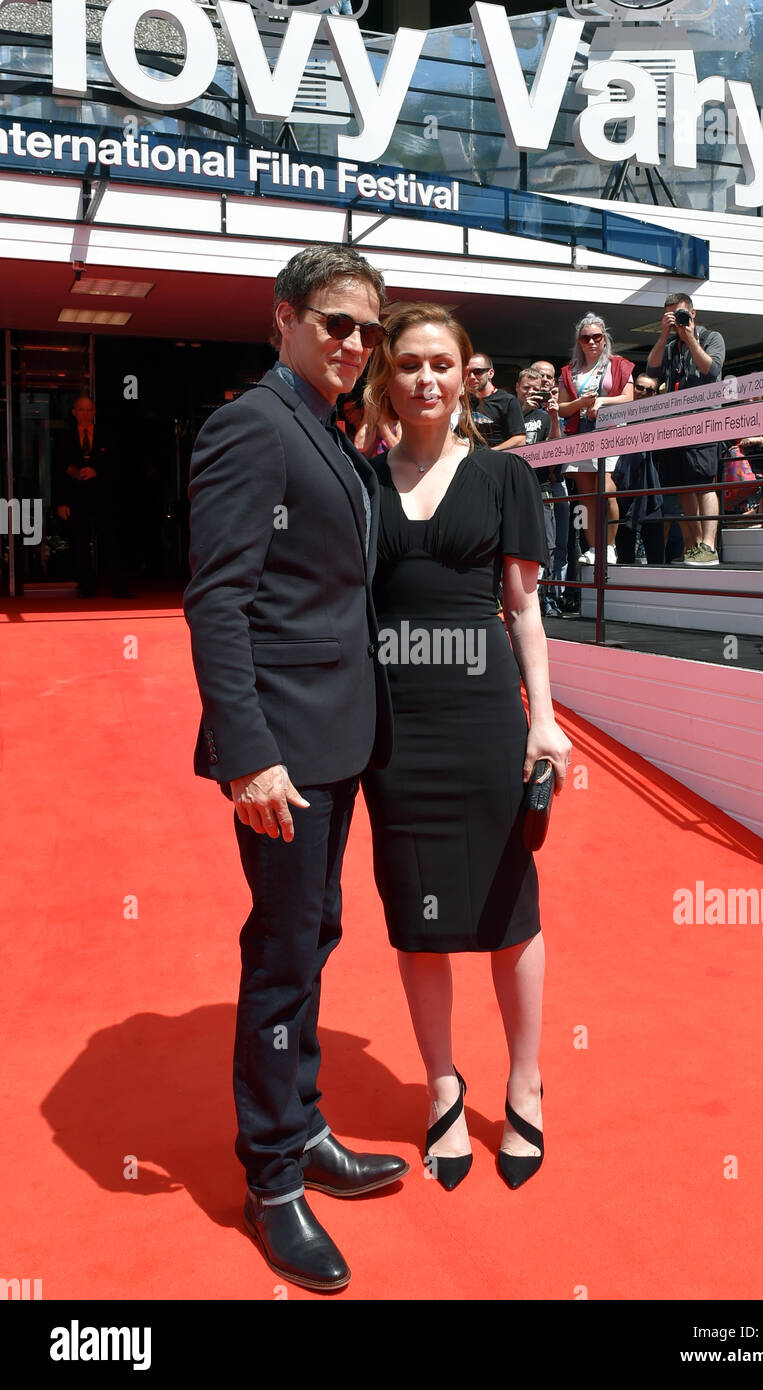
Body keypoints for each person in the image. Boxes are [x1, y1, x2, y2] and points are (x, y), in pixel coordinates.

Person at [183, 246, 408, 1296]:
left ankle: (303, 1122)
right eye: (334, 323)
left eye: (367, 330)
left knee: (315, 934)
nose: (354, 345)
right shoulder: (250, 425)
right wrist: (249, 754)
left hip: (338, 742)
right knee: (282, 954)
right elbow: (216, 601)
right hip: (283, 755)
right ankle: (271, 1179)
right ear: (283, 317)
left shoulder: (326, 430)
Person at [361, 303, 572, 1191]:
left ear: (465, 371)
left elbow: (522, 607)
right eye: (407, 364)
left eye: (440, 364)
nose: (425, 380)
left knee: (505, 906)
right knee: (419, 916)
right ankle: (442, 1084)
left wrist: (544, 719)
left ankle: (524, 1080)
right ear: (387, 377)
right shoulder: (358, 480)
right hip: (392, 723)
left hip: (484, 713)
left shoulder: (503, 475)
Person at [647, 293, 725, 567]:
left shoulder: (711, 337)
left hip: (703, 422)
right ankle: (694, 545)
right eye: (672, 315)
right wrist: (663, 335)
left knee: (703, 484)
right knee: (681, 487)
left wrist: (689, 336)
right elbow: (652, 369)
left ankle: (709, 545)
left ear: (693, 314)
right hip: (674, 427)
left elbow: (711, 371)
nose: (677, 321)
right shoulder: (670, 347)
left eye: (681, 314)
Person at [557, 313, 634, 568]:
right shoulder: (569, 371)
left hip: (609, 432)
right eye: (585, 337)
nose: (591, 341)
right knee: (587, 496)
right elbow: (562, 408)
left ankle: (610, 547)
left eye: (596, 337)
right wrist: (580, 403)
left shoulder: (618, 364)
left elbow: (628, 398)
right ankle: (593, 548)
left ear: (604, 339)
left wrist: (602, 401)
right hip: (579, 434)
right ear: (579, 341)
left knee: (606, 489)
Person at [53, 395, 131, 598]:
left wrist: (97, 472)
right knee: (80, 543)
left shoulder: (107, 436)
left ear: (94, 412)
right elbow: (57, 471)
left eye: (89, 410)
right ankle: (87, 586)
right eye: (81, 410)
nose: (85, 414)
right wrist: (61, 502)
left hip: (103, 498)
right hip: (77, 499)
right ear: (74, 412)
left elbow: (118, 467)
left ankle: (119, 586)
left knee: (110, 542)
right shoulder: (64, 437)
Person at [514, 366, 564, 615]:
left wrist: (554, 418)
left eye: (536, 389)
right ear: (517, 389)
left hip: (540, 488)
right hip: (511, 488)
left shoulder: (544, 417)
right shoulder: (508, 414)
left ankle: (547, 600)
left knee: (548, 545)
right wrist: (522, 411)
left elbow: (555, 451)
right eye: (526, 388)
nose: (531, 393)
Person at [611, 374, 665, 564]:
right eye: (640, 388)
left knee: (655, 546)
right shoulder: (617, 414)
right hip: (622, 487)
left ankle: (659, 586)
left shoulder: (659, 416)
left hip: (650, 488)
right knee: (625, 542)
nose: (644, 393)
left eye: (650, 391)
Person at [466, 352, 527, 451]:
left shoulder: (508, 401)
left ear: (491, 373)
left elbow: (520, 440)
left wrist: (490, 452)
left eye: (478, 371)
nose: (472, 377)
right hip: (468, 459)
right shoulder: (463, 401)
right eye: (468, 373)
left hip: (495, 460)